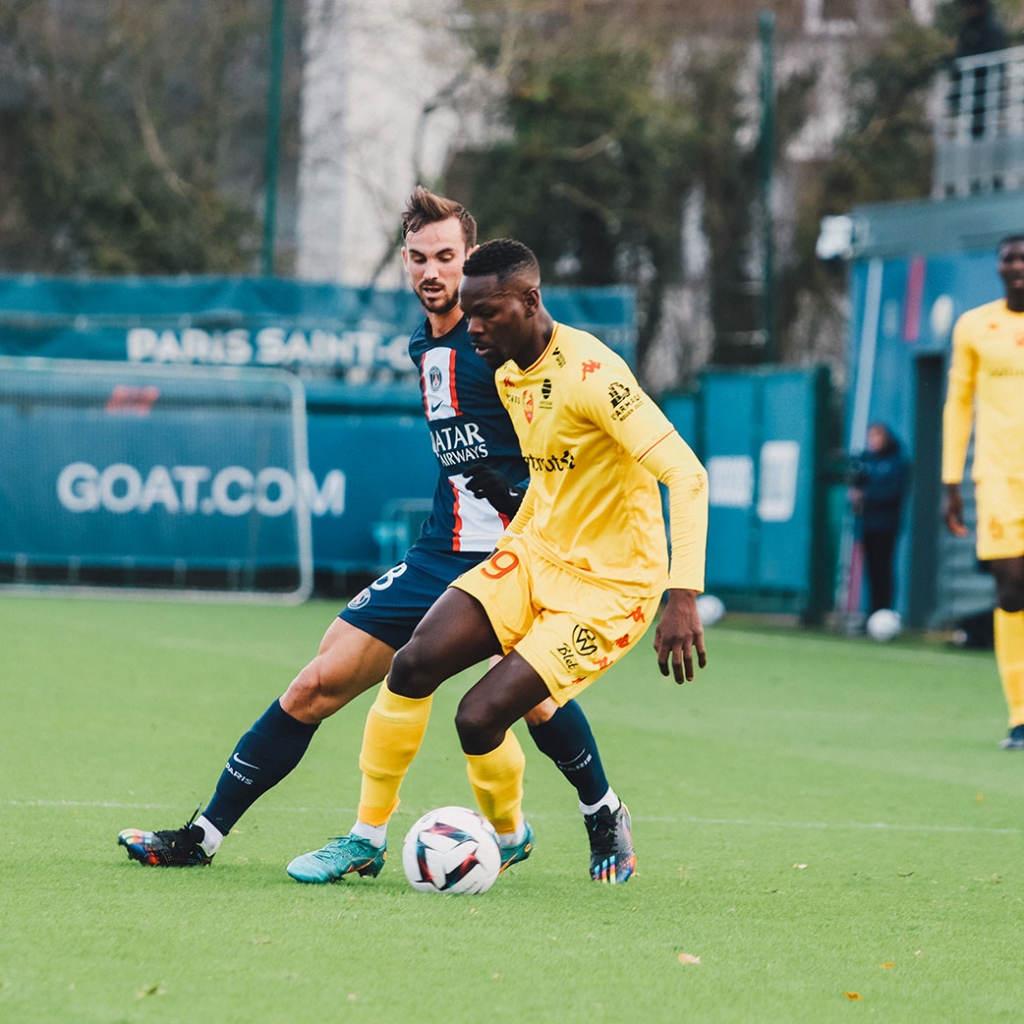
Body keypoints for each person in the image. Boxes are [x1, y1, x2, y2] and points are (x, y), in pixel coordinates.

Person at [118, 189, 634, 880]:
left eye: (447, 257)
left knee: (530, 701)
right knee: (316, 685)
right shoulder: (426, 340)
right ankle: (204, 836)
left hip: (521, 555)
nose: (432, 271)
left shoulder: (506, 341)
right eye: (419, 258)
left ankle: (598, 814)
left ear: (471, 260)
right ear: (404, 262)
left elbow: (573, 429)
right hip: (439, 552)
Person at [287, 239, 708, 886]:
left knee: (479, 716)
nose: (473, 327)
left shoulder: (594, 375)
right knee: (414, 662)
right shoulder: (510, 370)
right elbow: (555, 475)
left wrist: (682, 596)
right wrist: (519, 514)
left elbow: (685, 474)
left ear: (530, 300)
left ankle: (601, 810)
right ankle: (366, 838)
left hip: (611, 586)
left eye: (486, 313)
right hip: (536, 552)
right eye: (467, 312)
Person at [942, 234, 1024, 750]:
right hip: (997, 478)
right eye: (1009, 258)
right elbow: (959, 402)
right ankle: (1020, 714)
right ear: (998, 267)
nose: (1016, 265)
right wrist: (952, 478)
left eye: (1023, 258)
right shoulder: (975, 325)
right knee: (1012, 586)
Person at [848, 423, 908, 615]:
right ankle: (871, 611)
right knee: (871, 570)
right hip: (867, 524)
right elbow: (856, 486)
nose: (873, 440)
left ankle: (884, 611)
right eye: (870, 436)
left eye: (877, 436)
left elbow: (893, 493)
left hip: (887, 525)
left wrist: (867, 497)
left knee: (884, 569)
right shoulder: (866, 461)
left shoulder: (897, 462)